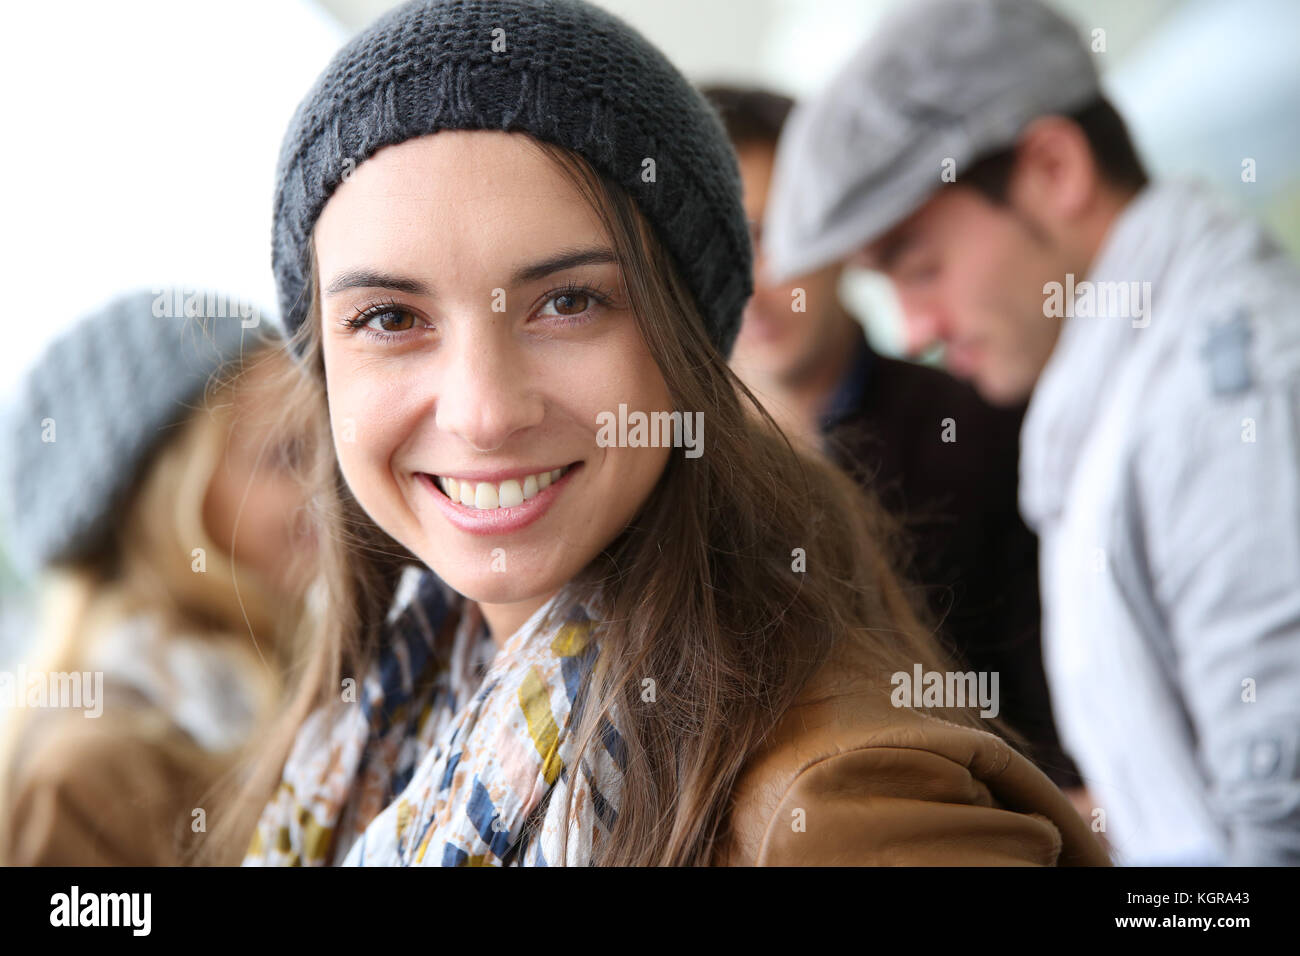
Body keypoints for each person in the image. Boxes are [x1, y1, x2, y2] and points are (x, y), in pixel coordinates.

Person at [223, 0, 1109, 867]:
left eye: (569, 303)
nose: (483, 413)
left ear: (686, 343)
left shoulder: (841, 810)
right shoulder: (382, 715)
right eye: (387, 317)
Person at [762, 0, 1300, 865]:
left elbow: (1273, 840)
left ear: (1054, 168)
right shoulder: (1122, 386)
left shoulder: (1224, 400)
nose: (913, 329)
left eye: (921, 265)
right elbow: (1188, 810)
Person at [702, 83, 1083, 797]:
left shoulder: (992, 429)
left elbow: (1073, 751)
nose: (744, 285)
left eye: (767, 239)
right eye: (707, 249)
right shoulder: (673, 482)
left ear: (840, 238)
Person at [0, 291, 314, 865]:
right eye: (284, 456)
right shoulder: (86, 774)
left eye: (325, 456)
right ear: (167, 502)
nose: (323, 491)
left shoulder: (321, 685)